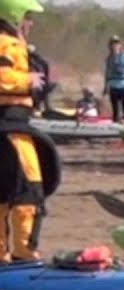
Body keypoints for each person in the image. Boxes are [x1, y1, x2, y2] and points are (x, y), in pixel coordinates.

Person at [0, 0, 59, 264]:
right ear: (14, 16)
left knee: (3, 191)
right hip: (11, 130)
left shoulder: (16, 45)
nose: (31, 23)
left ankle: (2, 256)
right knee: (29, 190)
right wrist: (28, 80)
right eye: (27, 17)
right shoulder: (5, 45)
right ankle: (24, 254)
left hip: (13, 126)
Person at [102, 34, 124, 123]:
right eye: (112, 44)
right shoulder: (109, 58)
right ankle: (116, 123)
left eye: (116, 43)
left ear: (120, 45)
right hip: (113, 86)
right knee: (115, 109)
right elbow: (107, 72)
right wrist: (105, 86)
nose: (115, 46)